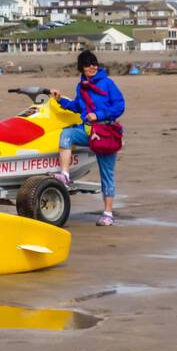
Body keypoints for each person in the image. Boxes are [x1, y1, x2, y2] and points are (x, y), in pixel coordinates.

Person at [50, 50, 124, 226]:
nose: (92, 67)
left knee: (107, 173)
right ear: (81, 67)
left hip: (105, 131)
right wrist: (60, 100)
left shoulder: (108, 83)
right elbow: (77, 106)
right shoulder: (81, 86)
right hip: (87, 132)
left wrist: (98, 115)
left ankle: (107, 213)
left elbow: (120, 106)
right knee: (66, 134)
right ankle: (65, 174)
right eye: (87, 64)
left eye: (94, 63)